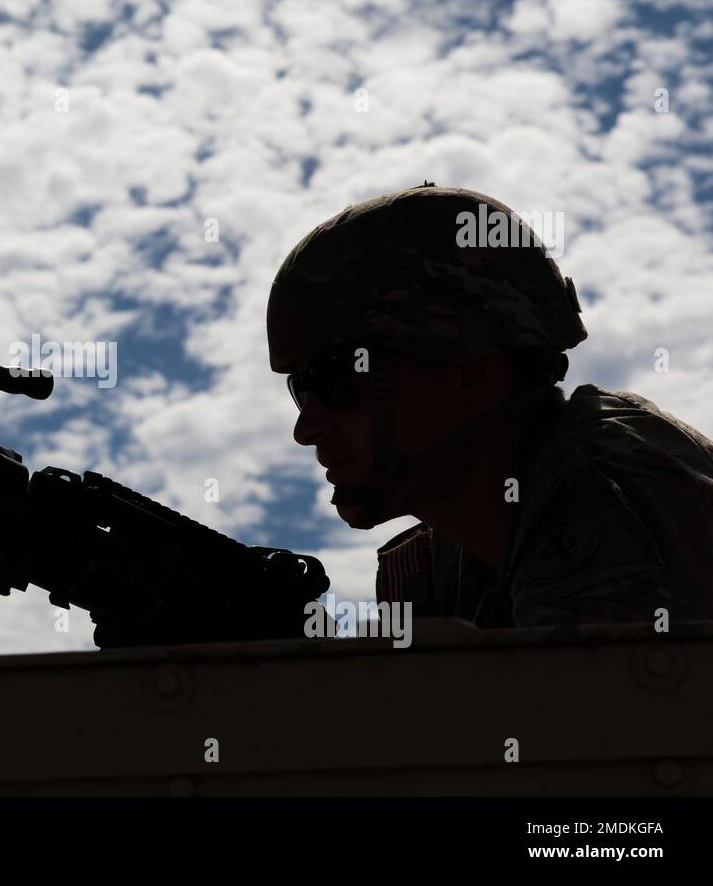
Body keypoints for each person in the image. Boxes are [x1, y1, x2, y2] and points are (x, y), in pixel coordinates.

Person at [267, 183, 713, 626]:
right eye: (302, 388)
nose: (306, 429)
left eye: (339, 378)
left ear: (470, 369)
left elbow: (601, 692)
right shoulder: (453, 559)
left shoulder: (621, 488)